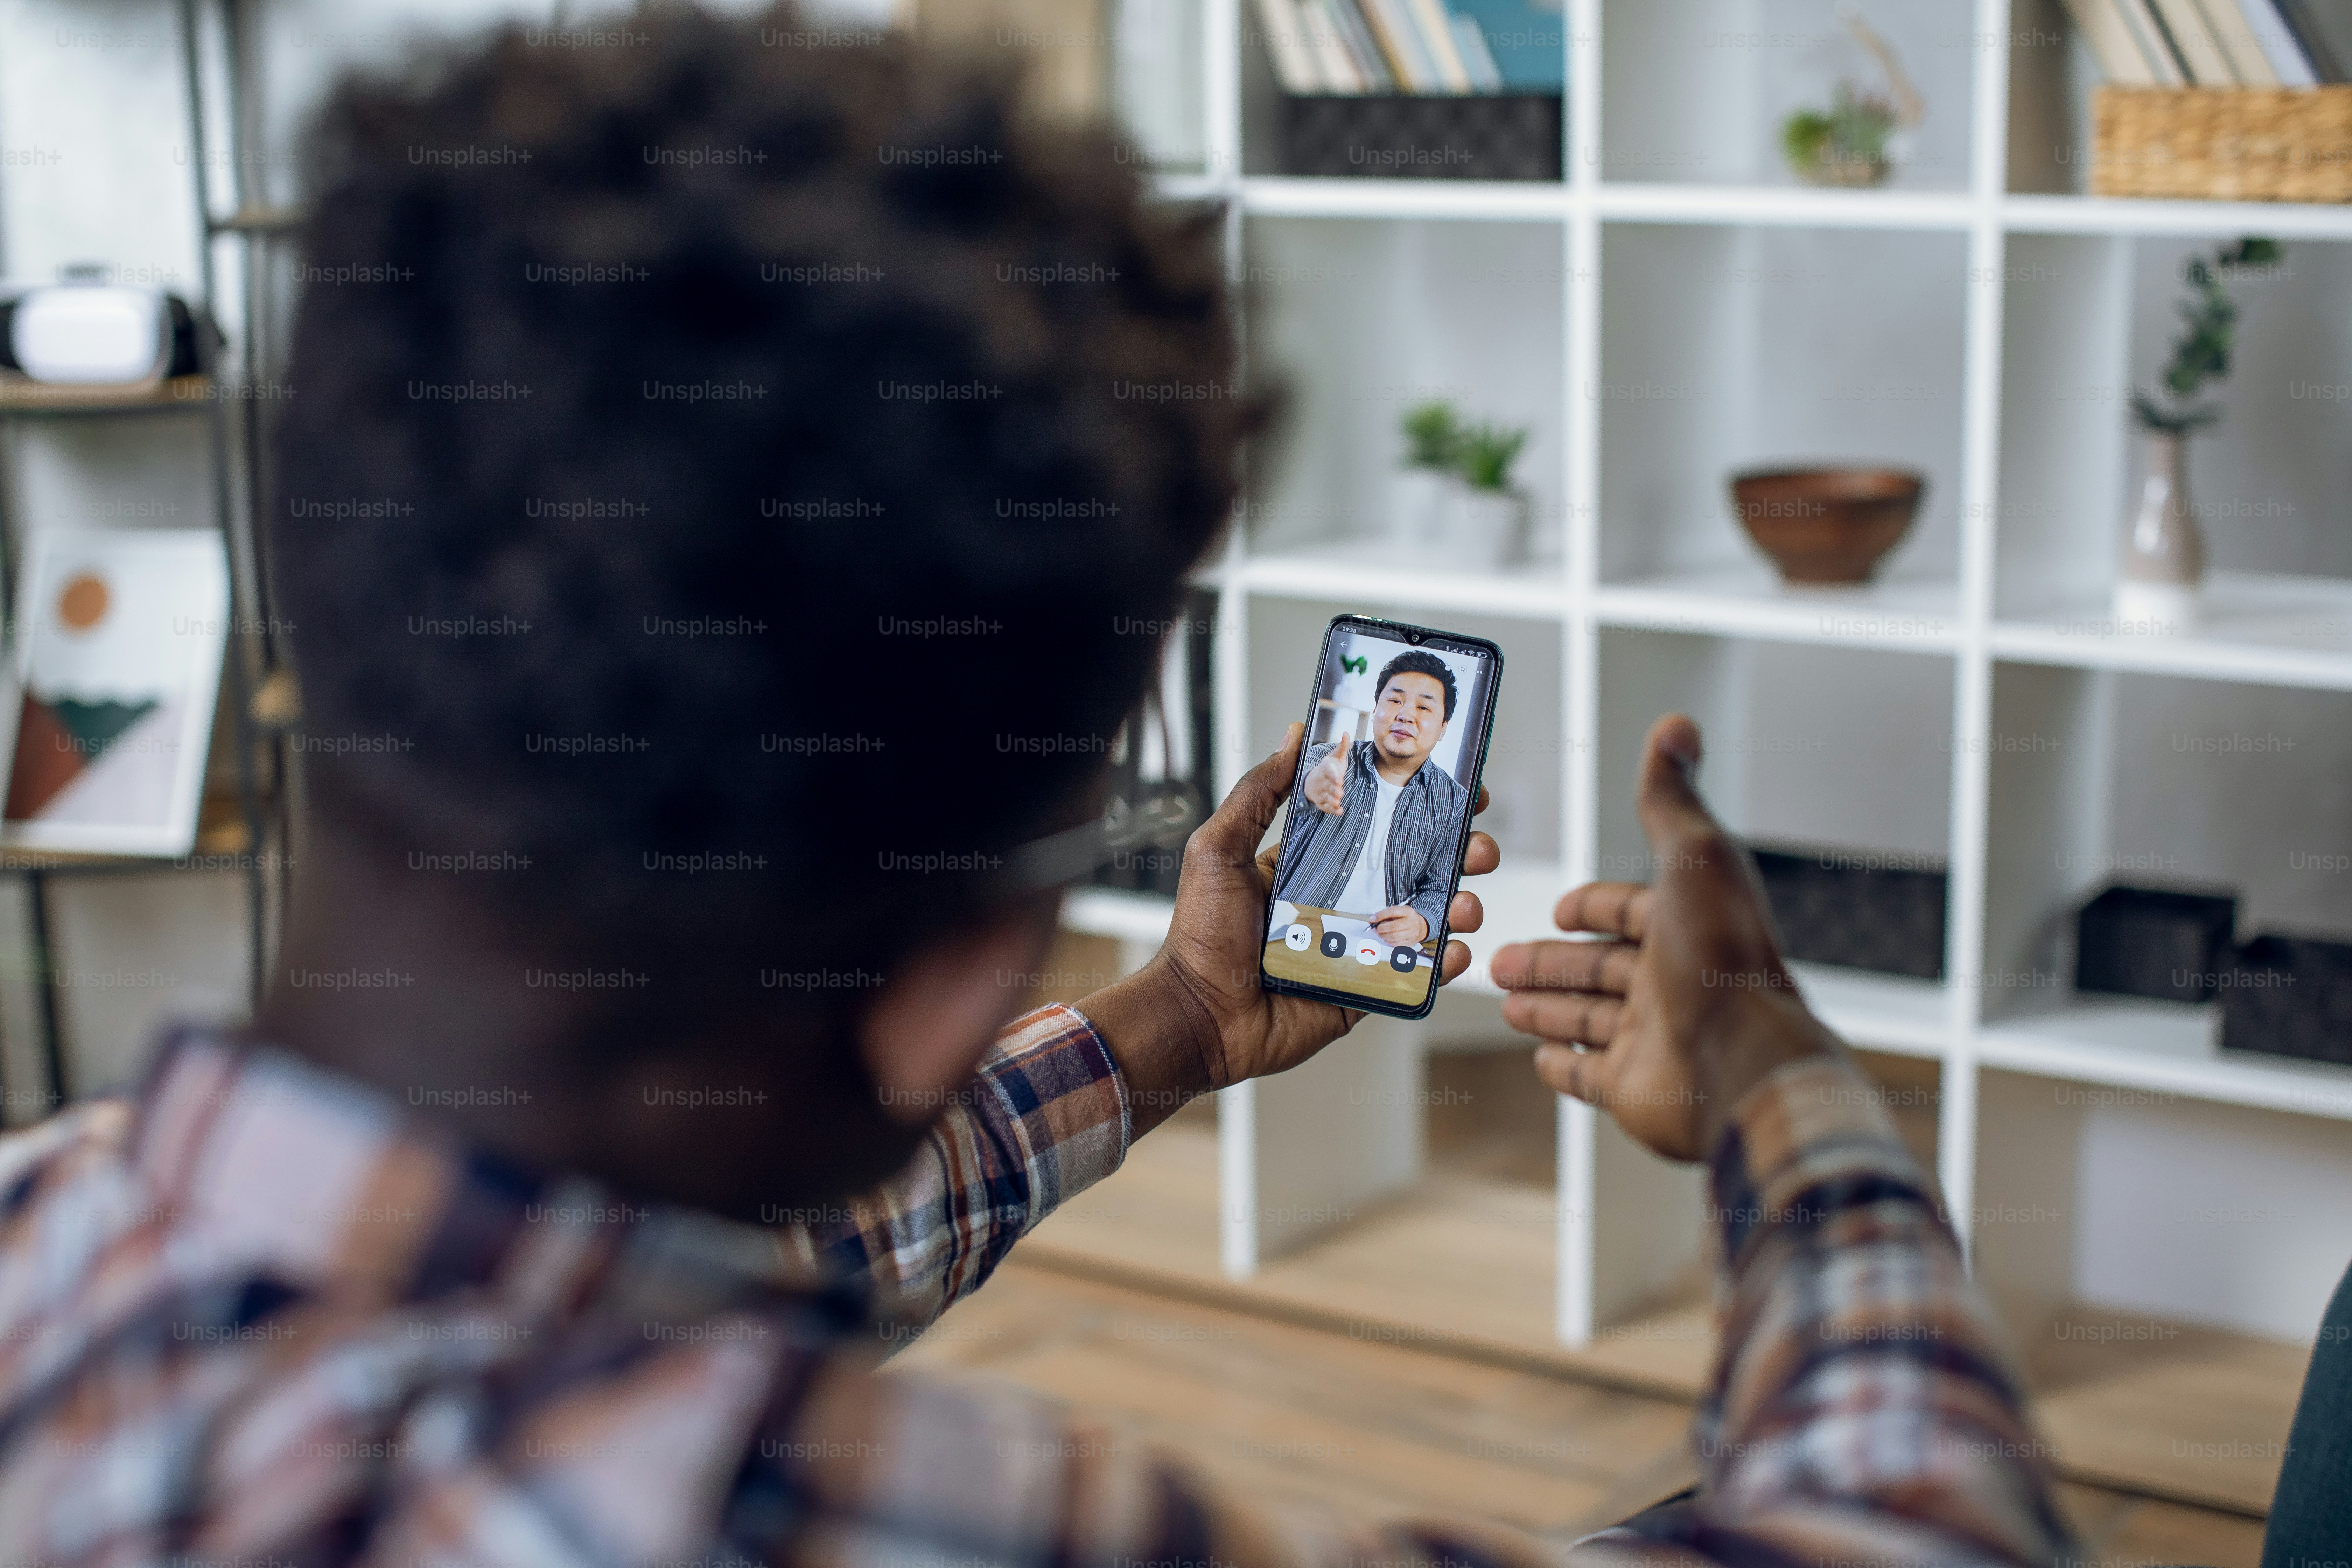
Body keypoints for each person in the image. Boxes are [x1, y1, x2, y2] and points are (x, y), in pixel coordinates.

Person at [0, 9, 2081, 1567]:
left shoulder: (53, 1225)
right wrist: (1783, 1082)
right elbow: (1931, 1528)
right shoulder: (958, 1516)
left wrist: (1169, 1020)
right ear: (951, 968)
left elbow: (637, 1260)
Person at [1273, 650, 1468, 949]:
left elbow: (1441, 888)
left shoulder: (1455, 802)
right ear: (1376, 708)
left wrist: (1423, 923)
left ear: (1443, 728)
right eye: (1395, 701)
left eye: (1424, 708)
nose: (1406, 715)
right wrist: (1314, 784)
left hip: (1382, 949)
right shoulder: (1327, 758)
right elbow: (1303, 784)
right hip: (1295, 933)